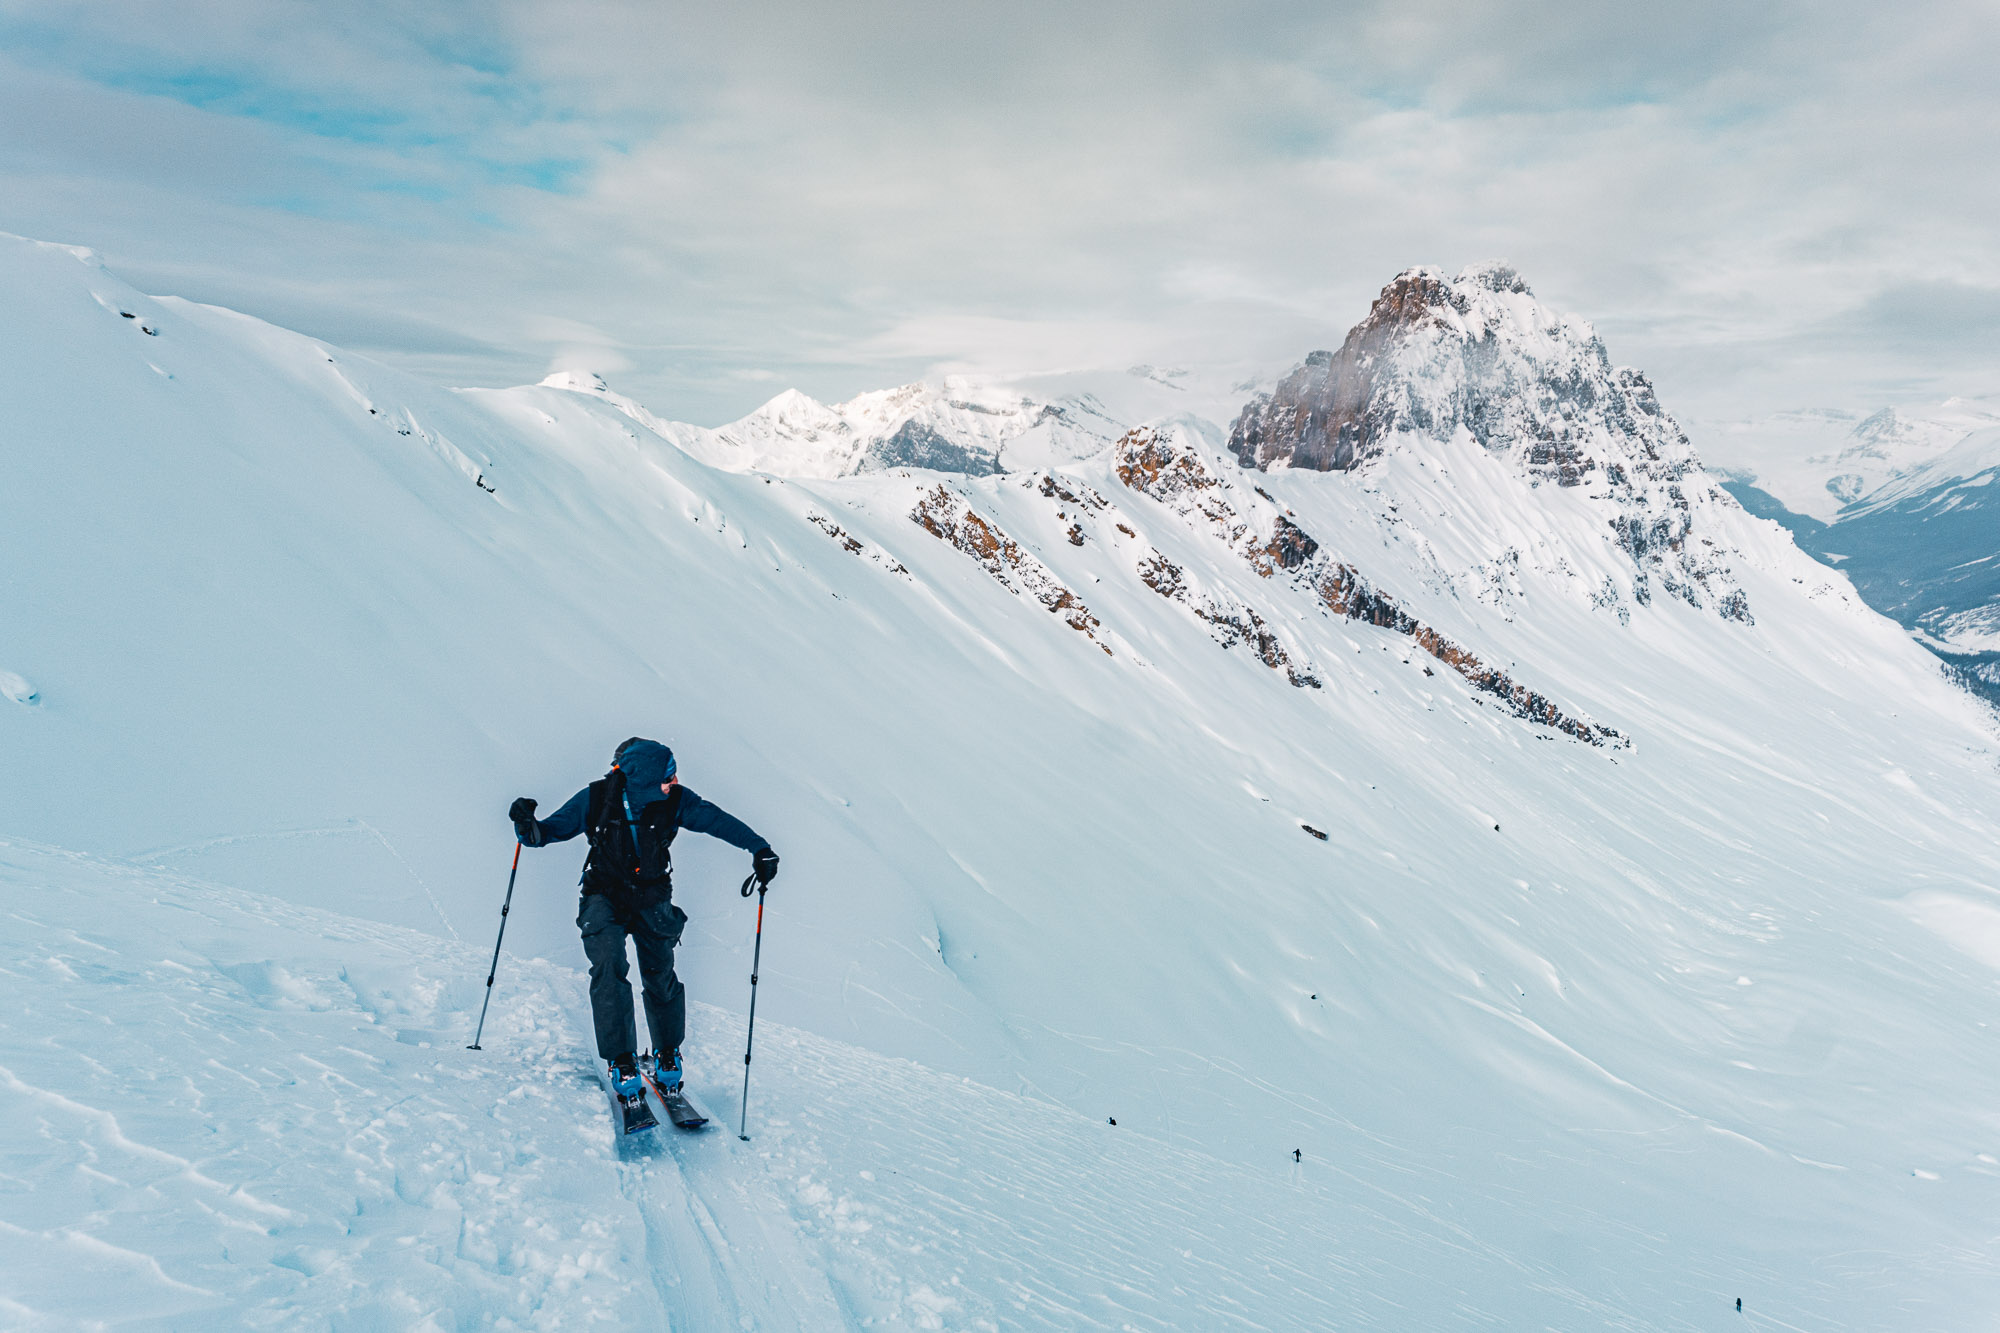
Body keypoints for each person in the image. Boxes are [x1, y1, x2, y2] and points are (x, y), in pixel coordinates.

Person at [509, 737, 778, 1098]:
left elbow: (719, 821)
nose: (675, 780)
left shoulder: (677, 802)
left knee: (660, 973)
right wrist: (526, 825)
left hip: (652, 896)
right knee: (608, 966)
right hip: (602, 895)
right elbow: (547, 833)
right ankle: (622, 1060)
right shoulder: (596, 798)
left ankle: (668, 1054)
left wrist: (759, 848)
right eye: (668, 775)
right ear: (646, 777)